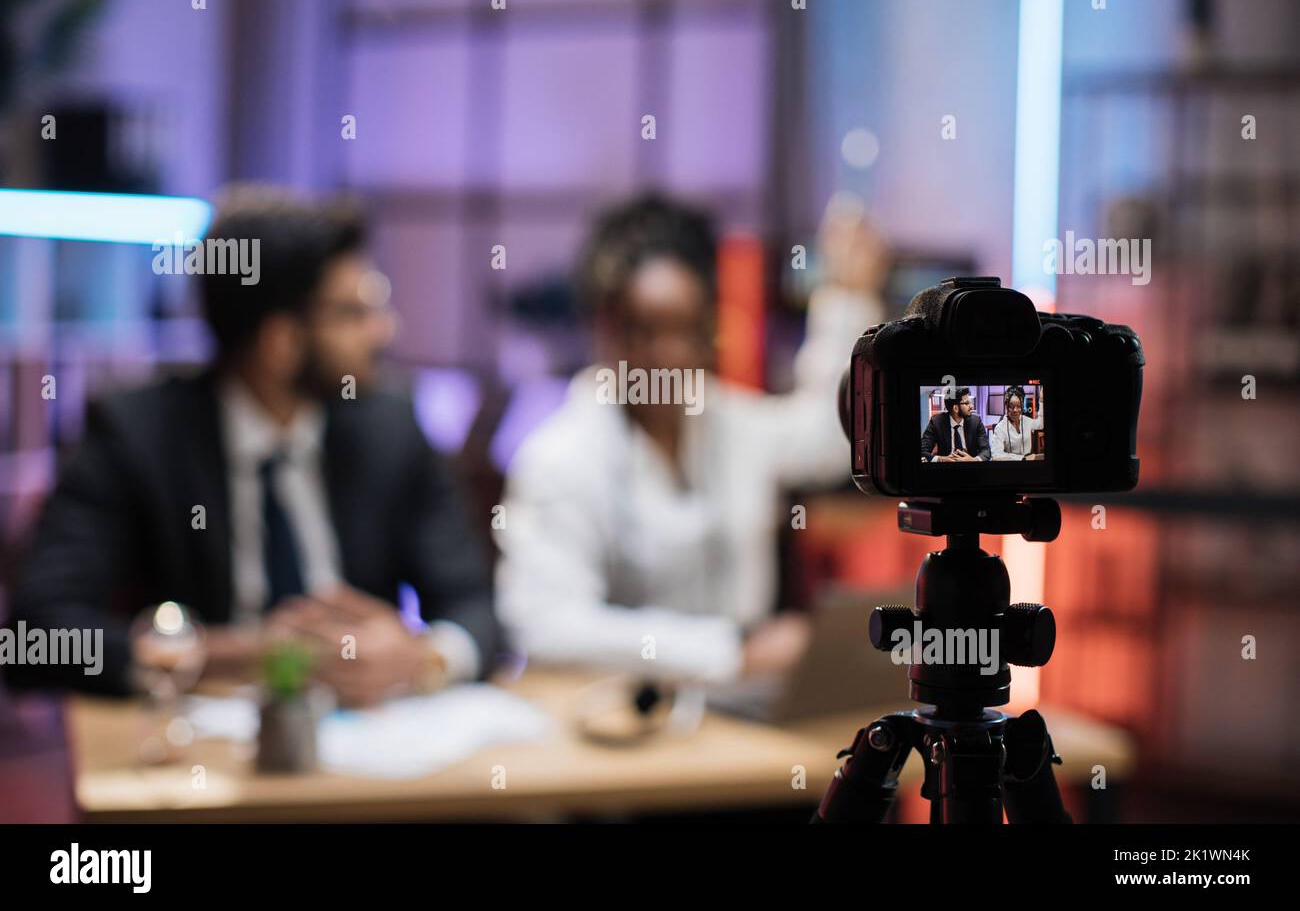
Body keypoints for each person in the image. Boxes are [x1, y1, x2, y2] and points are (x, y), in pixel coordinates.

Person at [5, 186, 499, 703]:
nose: (383, 330)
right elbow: (36, 639)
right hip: (200, 757)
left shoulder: (391, 429)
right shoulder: (138, 434)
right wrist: (240, 654)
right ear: (279, 340)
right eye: (353, 314)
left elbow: (476, 607)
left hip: (367, 750)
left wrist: (423, 659)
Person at [496, 192, 886, 683]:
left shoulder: (727, 421)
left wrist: (844, 298)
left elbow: (832, 439)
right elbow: (545, 626)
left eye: (688, 330)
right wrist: (731, 654)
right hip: (620, 715)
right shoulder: (560, 455)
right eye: (647, 330)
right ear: (606, 328)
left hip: (741, 710)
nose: (670, 355)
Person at [920, 387, 991, 462]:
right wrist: (941, 459)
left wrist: (974, 460)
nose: (971, 406)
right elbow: (923, 451)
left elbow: (986, 450)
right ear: (956, 408)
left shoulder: (976, 422)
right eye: (967, 403)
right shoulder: (936, 422)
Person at [989, 385, 1044, 460]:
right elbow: (996, 455)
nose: (1015, 410)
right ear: (1006, 407)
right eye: (1011, 406)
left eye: (1018, 406)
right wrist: (1023, 458)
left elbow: (1041, 424)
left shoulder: (1026, 420)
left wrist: (1041, 401)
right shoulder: (1000, 428)